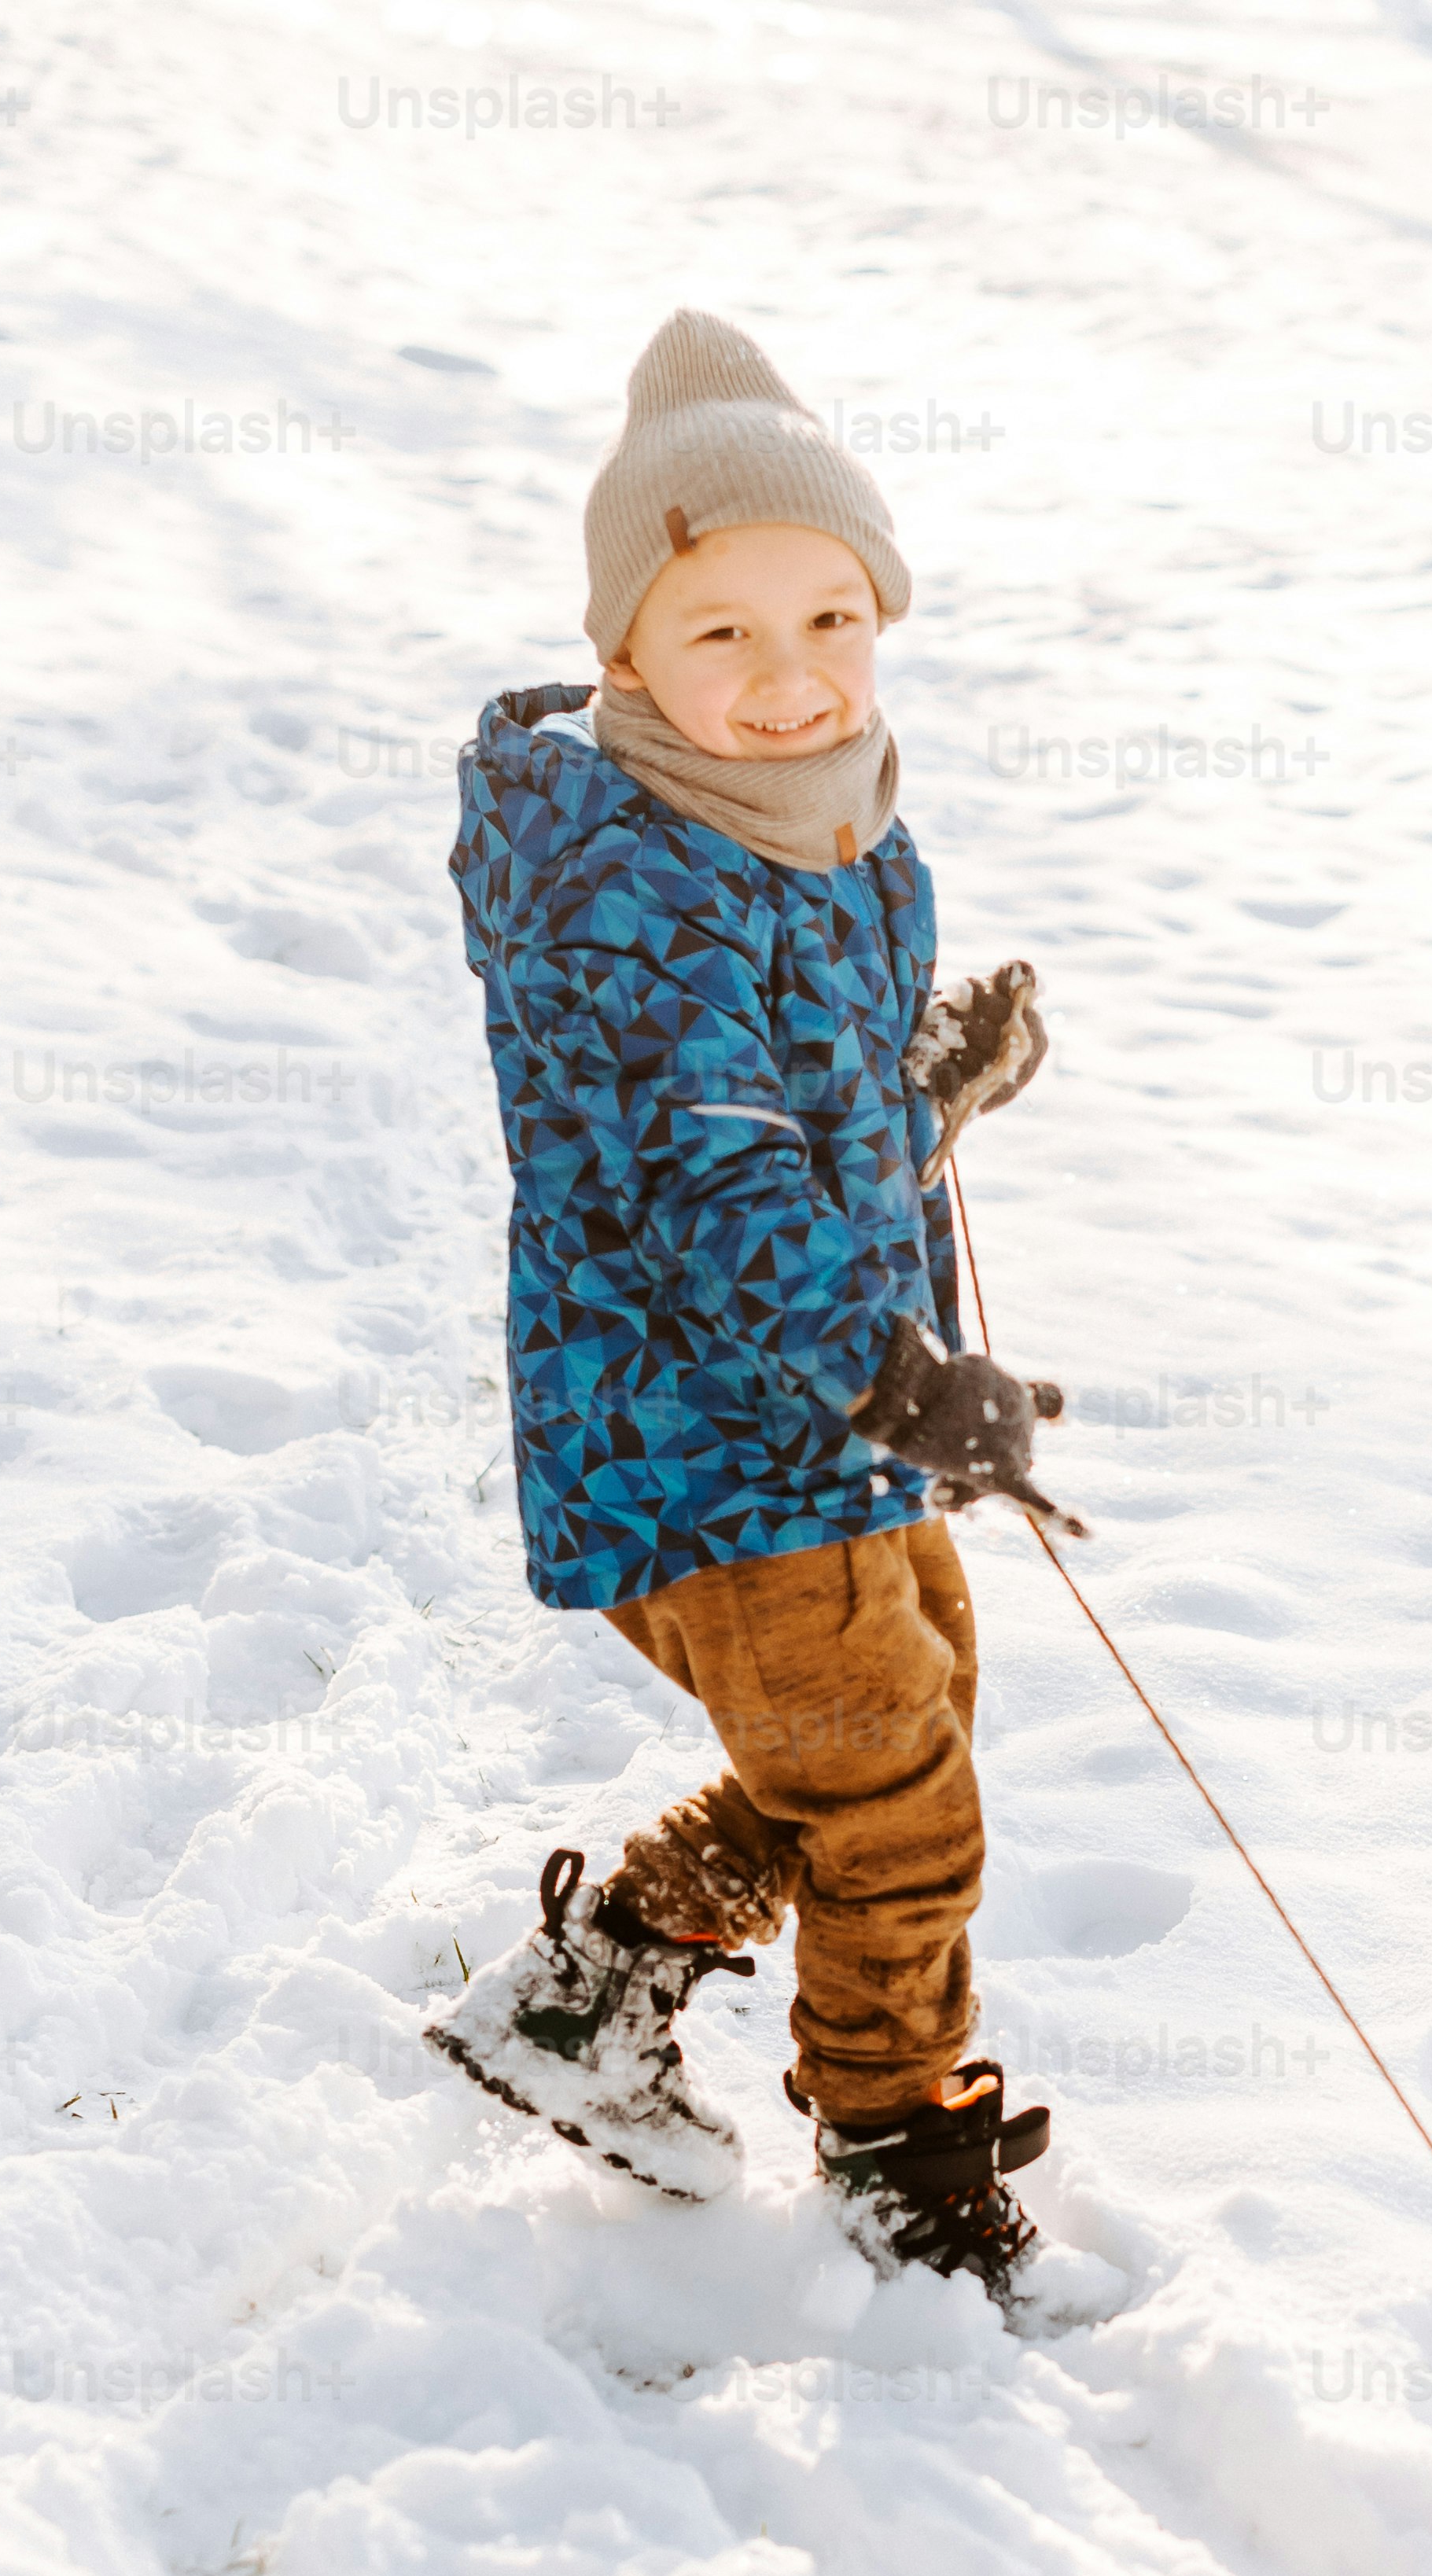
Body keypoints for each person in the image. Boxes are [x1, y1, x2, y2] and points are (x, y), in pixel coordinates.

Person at [429, 307, 1069, 2287]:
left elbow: (805, 1122)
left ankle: (592, 1987)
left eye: (833, 622)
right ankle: (897, 2146)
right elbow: (711, 1184)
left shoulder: (846, 835)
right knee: (890, 1793)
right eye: (720, 635)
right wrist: (899, 1373)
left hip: (811, 1418)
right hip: (703, 1435)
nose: (789, 680)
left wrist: (924, 1089)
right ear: (626, 654)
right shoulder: (626, 879)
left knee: (901, 1717)